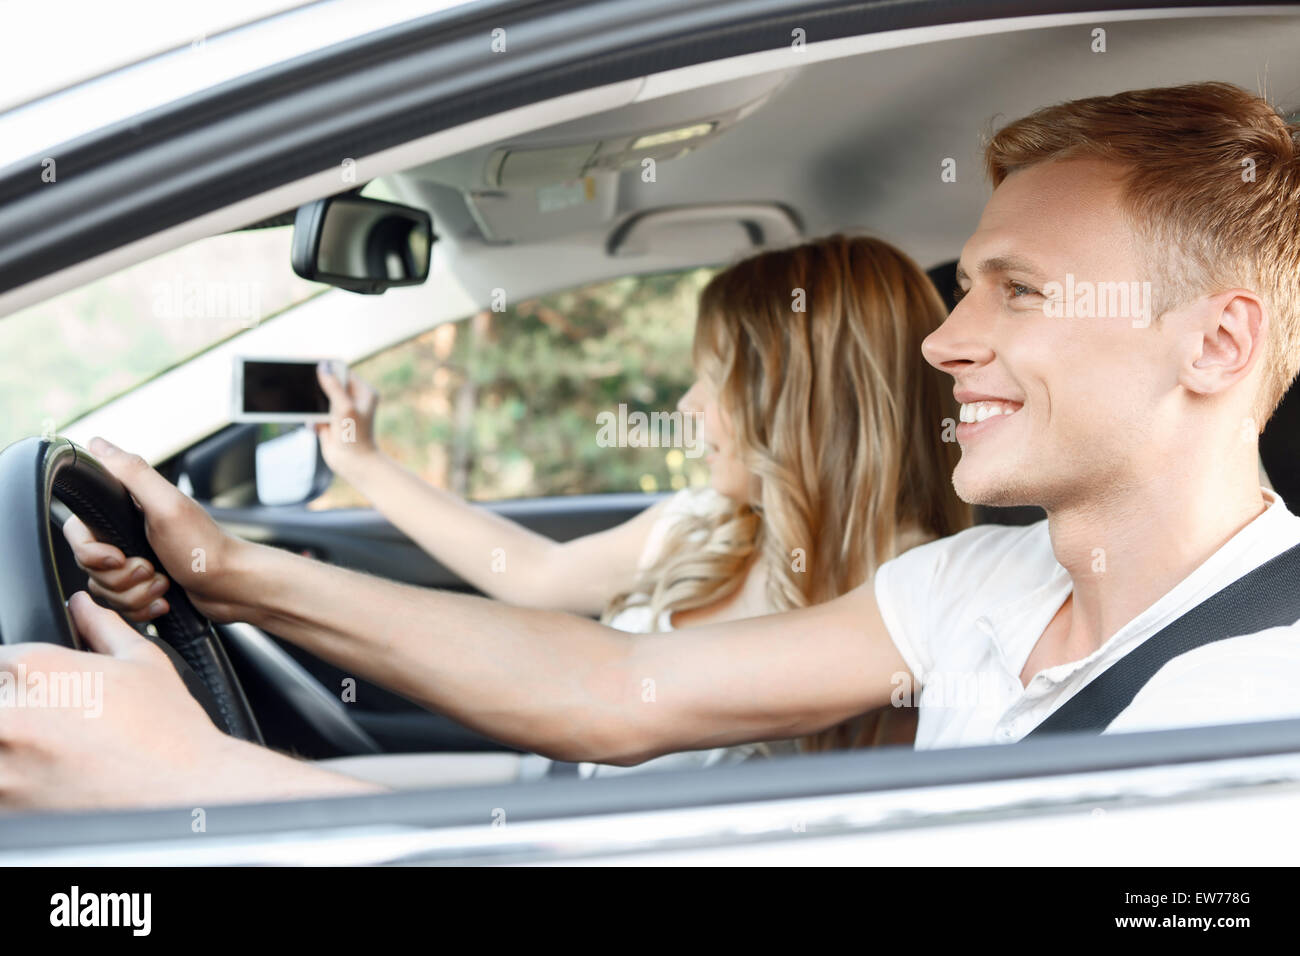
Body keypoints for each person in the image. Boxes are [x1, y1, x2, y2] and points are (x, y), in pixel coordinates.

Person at [5, 81, 1300, 810]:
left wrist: (199, 786)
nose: (943, 344)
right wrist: (233, 574)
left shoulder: (1253, 710)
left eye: (1017, 292)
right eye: (962, 289)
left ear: (1216, 346)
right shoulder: (983, 586)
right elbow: (617, 694)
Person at [59, 234, 968, 795]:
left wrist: (235, 574)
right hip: (558, 790)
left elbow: (616, 697)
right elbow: (529, 576)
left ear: (800, 399)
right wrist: (362, 464)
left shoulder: (910, 606)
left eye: (715, 377)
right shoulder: (706, 525)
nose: (688, 408)